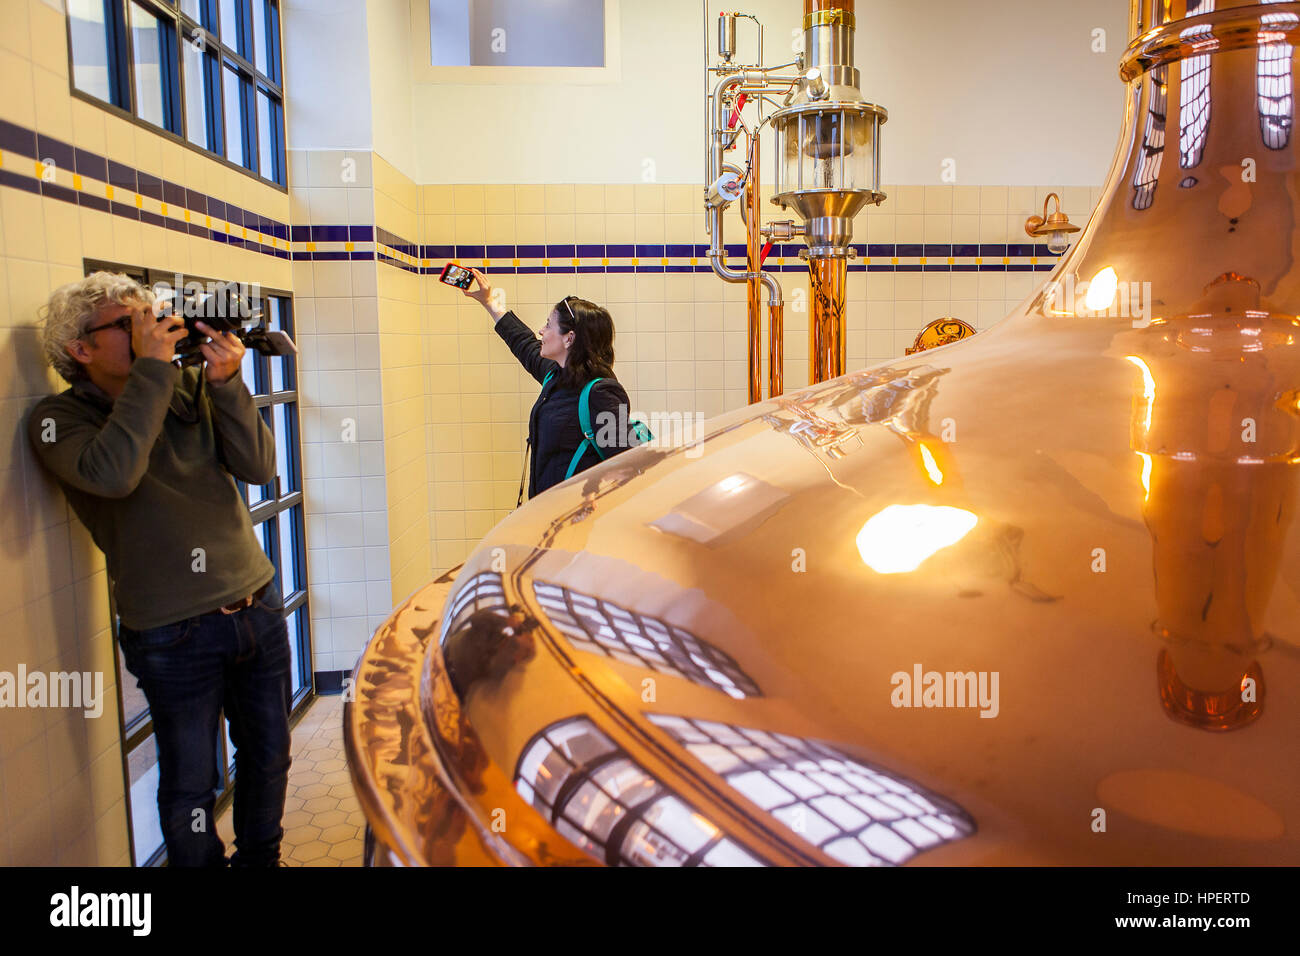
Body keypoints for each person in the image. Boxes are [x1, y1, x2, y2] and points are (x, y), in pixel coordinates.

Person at [27, 271, 292, 867]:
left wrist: (227, 385)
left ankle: (261, 861)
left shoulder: (185, 387)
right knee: (192, 785)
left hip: (257, 602)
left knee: (269, 756)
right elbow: (113, 474)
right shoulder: (57, 420)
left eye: (151, 315)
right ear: (81, 348)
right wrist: (154, 370)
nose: (153, 330)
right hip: (173, 632)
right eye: (130, 324)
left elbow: (259, 467)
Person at [461, 268, 640, 500]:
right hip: (548, 513)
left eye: (548, 325)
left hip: (578, 520)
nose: (541, 331)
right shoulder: (556, 375)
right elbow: (524, 343)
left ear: (569, 337)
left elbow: (632, 465)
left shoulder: (600, 393)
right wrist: (490, 303)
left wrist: (592, 499)